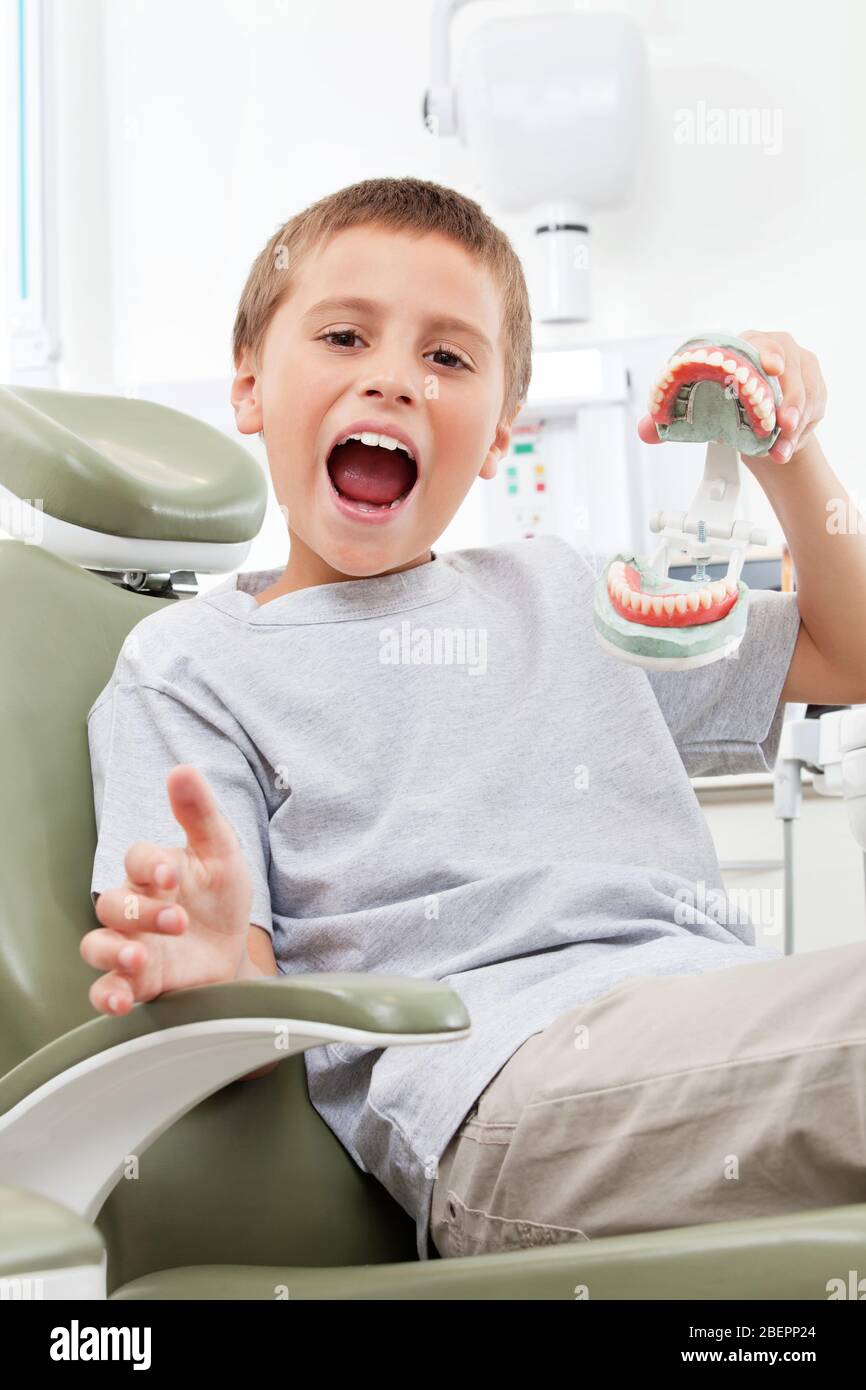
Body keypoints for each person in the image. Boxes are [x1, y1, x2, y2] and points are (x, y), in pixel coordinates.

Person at [83, 176, 866, 1263]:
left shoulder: (563, 593)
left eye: (447, 358)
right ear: (252, 386)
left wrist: (787, 455)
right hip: (502, 1088)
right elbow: (244, 1004)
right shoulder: (189, 667)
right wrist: (217, 960)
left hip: (712, 1019)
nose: (394, 380)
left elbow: (847, 651)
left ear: (499, 435)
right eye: (346, 335)